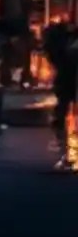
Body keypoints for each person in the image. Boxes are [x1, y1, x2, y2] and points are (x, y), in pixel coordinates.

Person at [42, 18, 78, 169]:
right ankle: (69, 154)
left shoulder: (63, 44)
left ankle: (69, 154)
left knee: (63, 115)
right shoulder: (65, 43)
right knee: (64, 116)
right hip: (67, 82)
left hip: (67, 82)